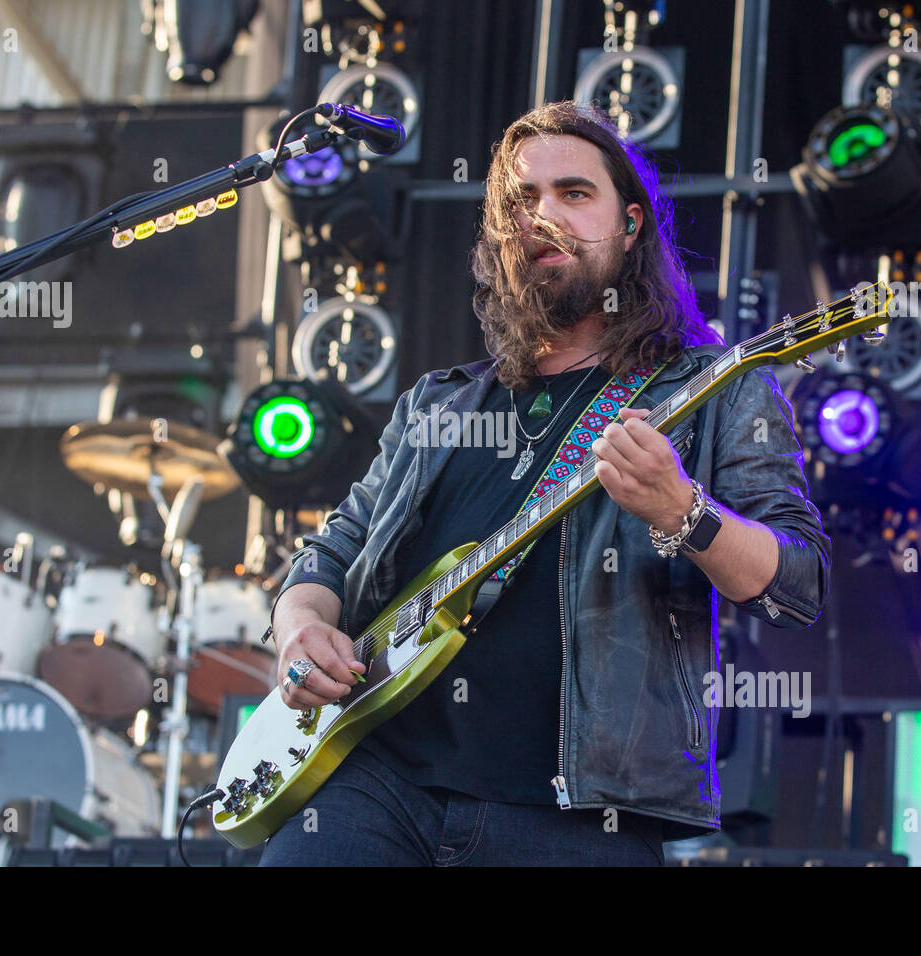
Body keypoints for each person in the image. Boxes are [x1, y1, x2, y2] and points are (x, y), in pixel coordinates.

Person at [259, 101, 830, 866]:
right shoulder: (439, 401)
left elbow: (795, 584)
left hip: (579, 817)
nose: (544, 216)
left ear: (630, 226)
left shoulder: (716, 388)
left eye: (574, 193)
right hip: (374, 783)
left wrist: (684, 512)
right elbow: (332, 551)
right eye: (521, 202)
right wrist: (300, 629)